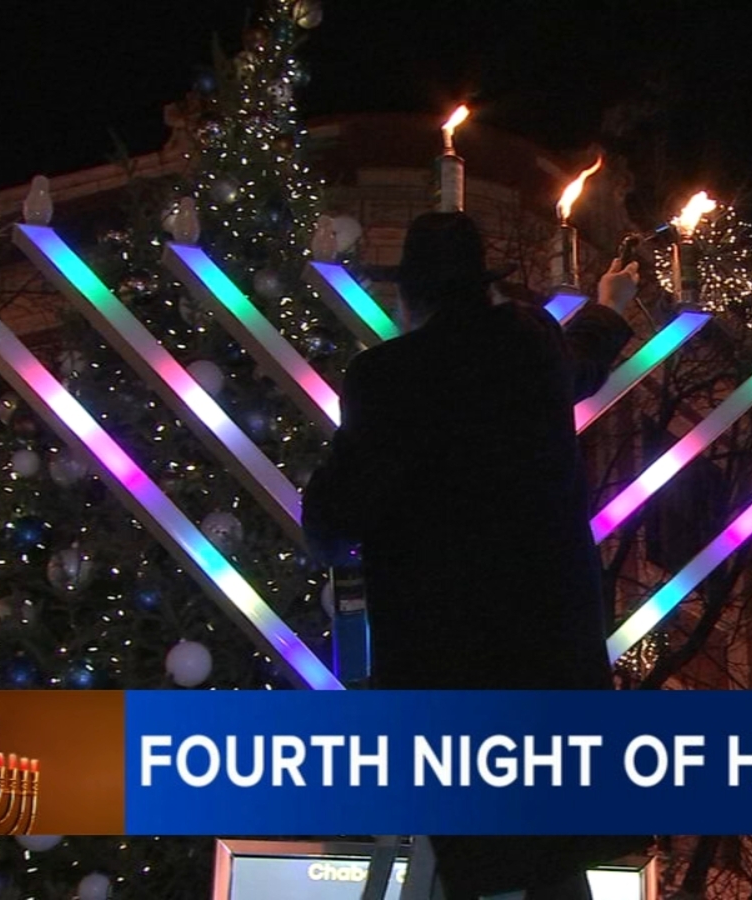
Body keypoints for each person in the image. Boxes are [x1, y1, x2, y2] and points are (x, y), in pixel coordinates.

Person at [301, 211, 647, 900]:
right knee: (551, 859)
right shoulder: (532, 343)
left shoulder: (387, 375)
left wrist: (331, 525)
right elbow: (579, 363)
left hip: (448, 663)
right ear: (479, 286)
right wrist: (609, 309)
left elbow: (334, 517)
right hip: (551, 661)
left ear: (409, 296)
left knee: (474, 863)